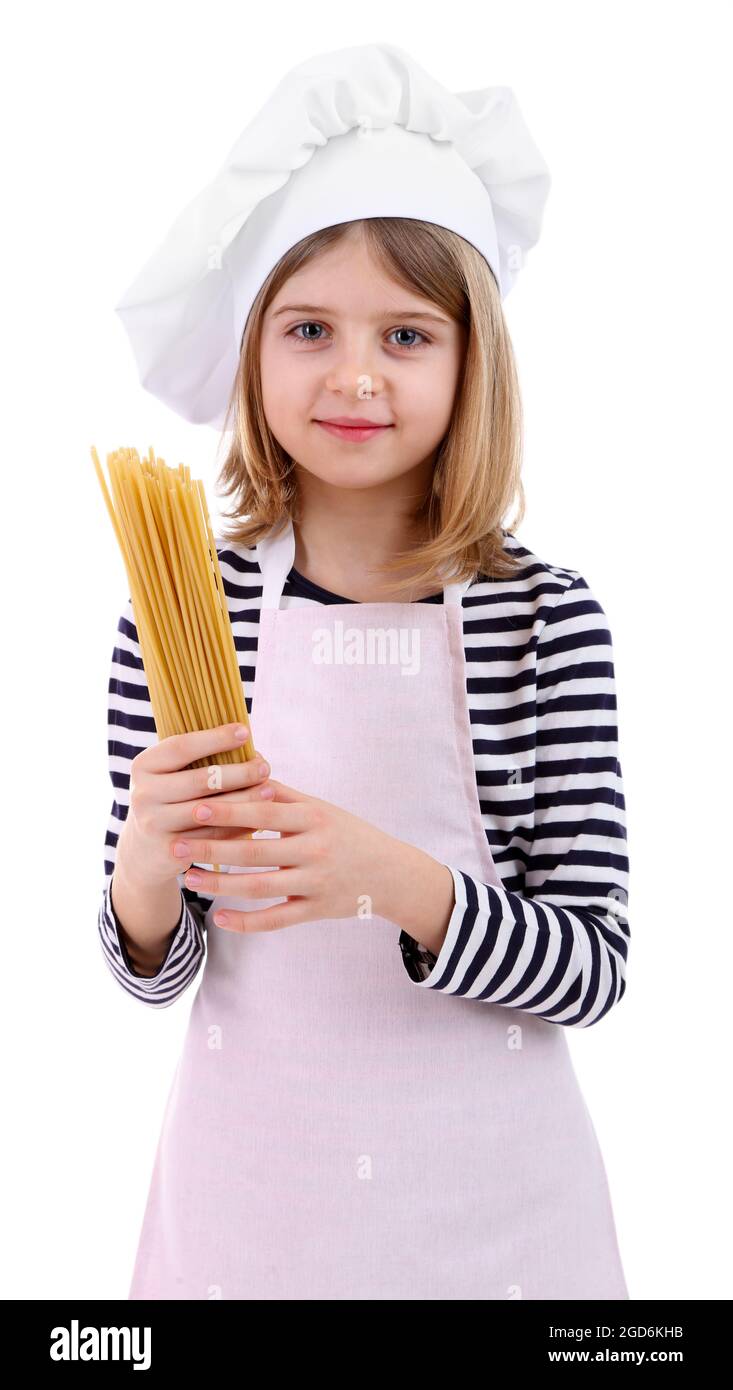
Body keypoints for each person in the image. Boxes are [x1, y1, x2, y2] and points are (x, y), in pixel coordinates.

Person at [98, 41, 631, 1300]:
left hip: (497, 1225)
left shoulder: (544, 620)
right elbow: (151, 965)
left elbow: (592, 970)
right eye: (308, 328)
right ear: (252, 351)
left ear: (470, 361)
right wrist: (144, 865)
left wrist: (385, 877)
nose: (353, 373)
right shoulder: (185, 610)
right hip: (250, 1213)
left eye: (405, 333)